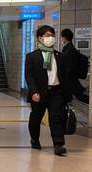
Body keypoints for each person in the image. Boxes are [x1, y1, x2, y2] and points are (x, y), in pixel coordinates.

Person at [24, 24, 69, 156]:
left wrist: (66, 93)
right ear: (40, 38)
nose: (51, 38)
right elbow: (29, 76)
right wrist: (34, 91)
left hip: (56, 91)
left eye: (53, 36)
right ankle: (34, 139)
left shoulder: (59, 56)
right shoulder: (32, 56)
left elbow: (65, 75)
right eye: (48, 36)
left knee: (56, 118)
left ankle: (58, 144)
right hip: (39, 92)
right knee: (36, 118)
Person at [60, 29, 90, 103]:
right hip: (71, 79)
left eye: (61, 37)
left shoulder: (69, 50)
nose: (61, 39)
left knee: (80, 96)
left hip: (70, 79)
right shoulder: (69, 49)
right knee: (79, 95)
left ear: (64, 38)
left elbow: (69, 66)